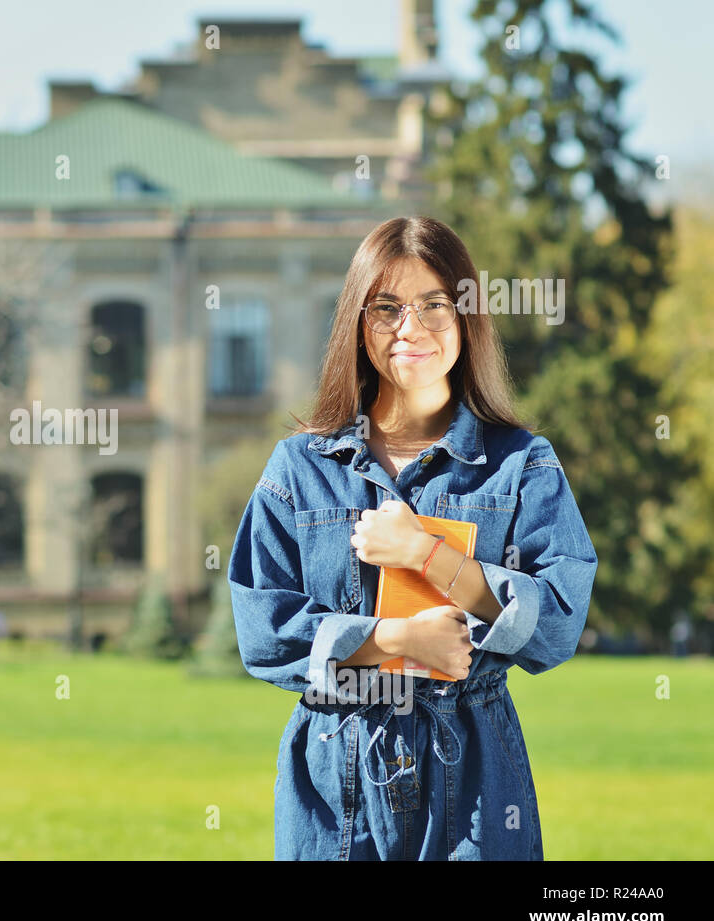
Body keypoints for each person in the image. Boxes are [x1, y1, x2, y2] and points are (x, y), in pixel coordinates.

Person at [228, 216, 597, 860]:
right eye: (388, 307)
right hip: (335, 782)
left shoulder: (522, 464)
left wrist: (427, 555)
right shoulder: (299, 470)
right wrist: (396, 640)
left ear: (467, 317)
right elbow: (262, 632)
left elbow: (559, 623)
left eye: (434, 303)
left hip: (478, 782)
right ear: (356, 322)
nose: (411, 326)